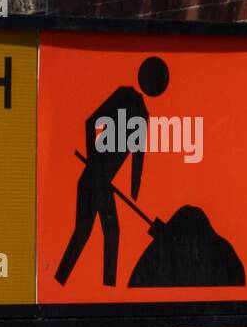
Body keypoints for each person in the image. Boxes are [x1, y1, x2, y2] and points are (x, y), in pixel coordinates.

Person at [54, 56, 169, 287]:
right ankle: (79, 284)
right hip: (92, 179)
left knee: (101, 233)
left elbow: (138, 160)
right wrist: (94, 164)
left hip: (102, 182)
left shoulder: (143, 116)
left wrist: (135, 192)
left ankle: (77, 282)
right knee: (89, 233)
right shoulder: (123, 95)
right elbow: (91, 122)